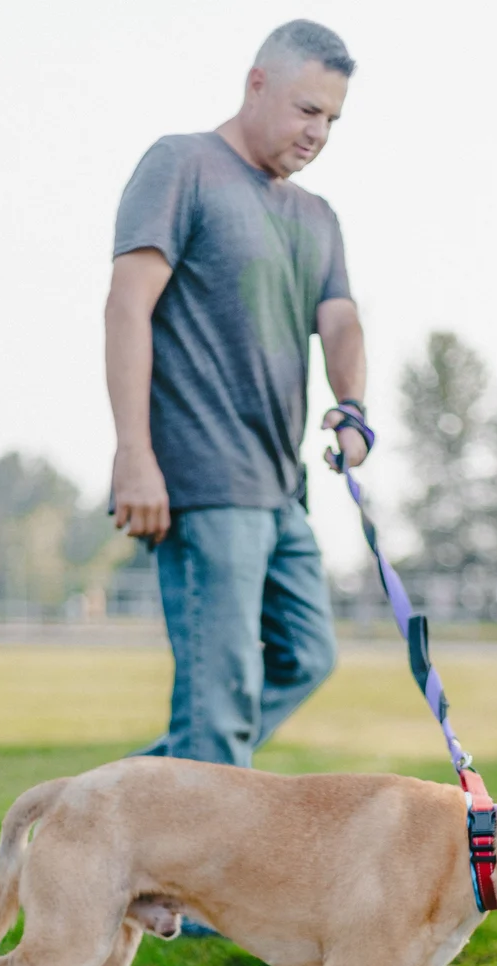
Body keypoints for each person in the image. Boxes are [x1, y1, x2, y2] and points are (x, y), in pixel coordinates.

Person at [105, 19, 371, 766]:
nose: (318, 132)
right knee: (218, 707)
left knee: (308, 656)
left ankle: (115, 806)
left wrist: (352, 408)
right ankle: (177, 864)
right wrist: (135, 456)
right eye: (306, 109)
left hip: (279, 491)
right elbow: (128, 306)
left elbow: (341, 319)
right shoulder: (182, 165)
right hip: (201, 480)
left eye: (332, 119)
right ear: (257, 84)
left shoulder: (316, 216)